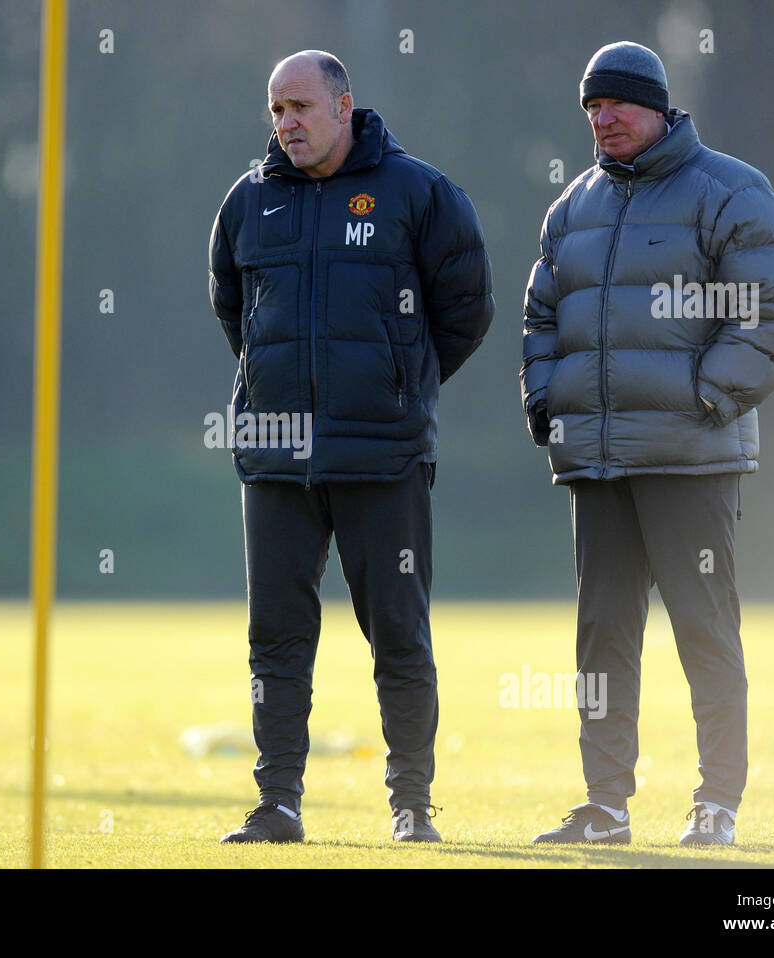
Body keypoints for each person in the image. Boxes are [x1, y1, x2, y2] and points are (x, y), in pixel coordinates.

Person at [520, 41, 774, 845]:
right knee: (602, 641)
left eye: (615, 102)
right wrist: (545, 401)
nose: (602, 118)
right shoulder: (572, 206)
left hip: (692, 456)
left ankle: (717, 803)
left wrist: (705, 397)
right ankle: (605, 807)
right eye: (591, 107)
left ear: (656, 105)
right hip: (596, 462)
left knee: (704, 632)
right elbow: (541, 316)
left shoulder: (731, 190)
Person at [208, 50, 493, 843]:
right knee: (275, 643)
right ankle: (277, 804)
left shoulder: (420, 193)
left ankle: (411, 805)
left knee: (399, 636)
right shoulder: (247, 201)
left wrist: (399, 386)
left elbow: (466, 310)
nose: (286, 123)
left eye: (300, 106)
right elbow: (235, 311)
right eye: (276, 110)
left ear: (344, 106)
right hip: (275, 456)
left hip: (383, 455)